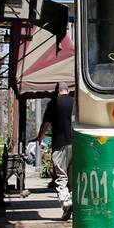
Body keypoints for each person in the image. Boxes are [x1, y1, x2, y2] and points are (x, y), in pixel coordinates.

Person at [36, 84, 74, 220]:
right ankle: (72, 204)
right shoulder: (75, 102)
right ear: (68, 91)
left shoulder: (54, 103)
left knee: (61, 177)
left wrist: (39, 138)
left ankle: (66, 202)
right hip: (76, 144)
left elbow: (46, 124)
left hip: (60, 145)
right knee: (74, 178)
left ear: (57, 91)